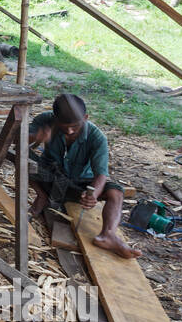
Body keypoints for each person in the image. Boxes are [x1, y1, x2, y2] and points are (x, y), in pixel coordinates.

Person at [28, 92, 138, 259]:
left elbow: (101, 174)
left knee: (116, 192)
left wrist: (93, 193)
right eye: (64, 127)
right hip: (49, 178)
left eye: (75, 126)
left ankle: (108, 235)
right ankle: (42, 196)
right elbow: (14, 141)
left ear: (85, 117)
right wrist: (33, 138)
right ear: (54, 118)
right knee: (22, 156)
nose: (70, 131)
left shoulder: (96, 137)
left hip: (78, 187)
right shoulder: (45, 120)